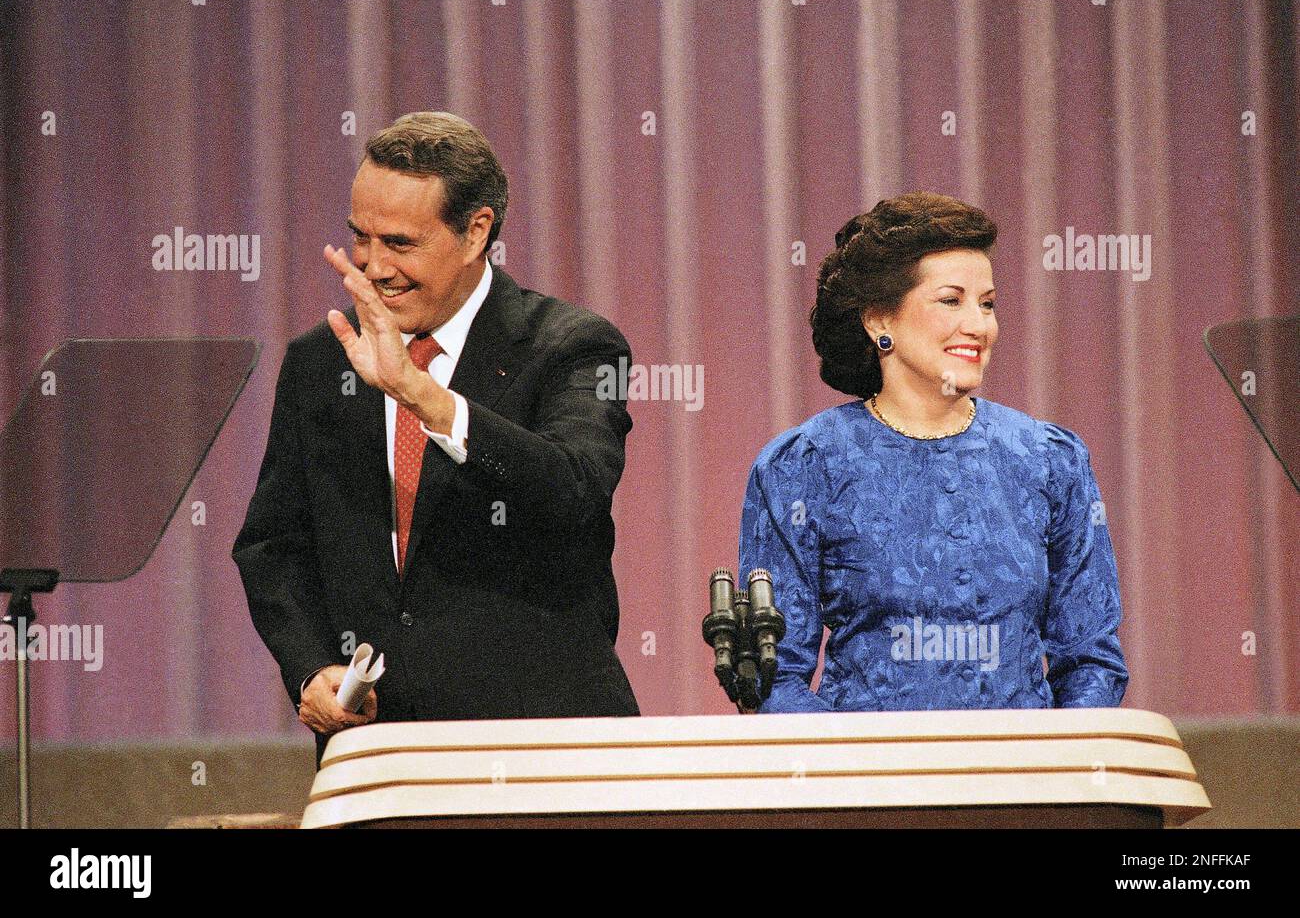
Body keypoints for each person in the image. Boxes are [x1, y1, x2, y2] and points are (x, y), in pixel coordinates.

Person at [233, 111, 639, 764]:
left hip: (544, 750)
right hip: (377, 753)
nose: (373, 264)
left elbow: (574, 489)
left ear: (476, 231)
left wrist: (422, 394)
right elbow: (274, 544)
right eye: (360, 238)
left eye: (399, 242)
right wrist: (311, 669)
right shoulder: (320, 360)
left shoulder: (574, 346)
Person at [739, 191, 1128, 713]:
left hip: (1026, 784)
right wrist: (864, 772)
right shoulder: (803, 466)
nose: (979, 325)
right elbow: (774, 676)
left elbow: (1091, 662)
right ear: (880, 321)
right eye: (952, 300)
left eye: (987, 304)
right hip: (870, 786)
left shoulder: (1051, 460)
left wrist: (1053, 767)